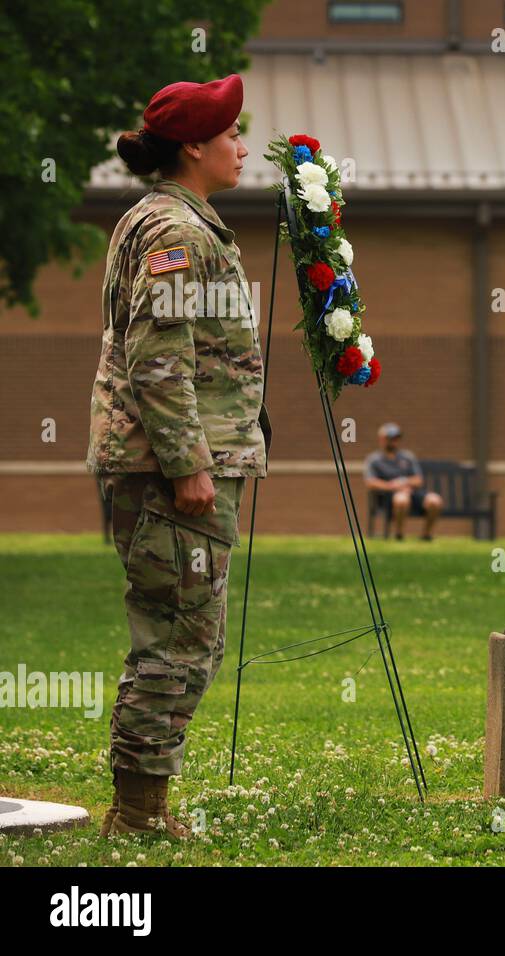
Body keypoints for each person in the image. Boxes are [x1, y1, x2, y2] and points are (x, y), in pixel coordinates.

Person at [87, 74, 268, 837]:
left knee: (184, 628)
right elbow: (156, 356)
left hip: (166, 461)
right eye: (230, 133)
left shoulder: (163, 219)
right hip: (169, 471)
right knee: (180, 633)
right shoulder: (177, 233)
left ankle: (142, 804)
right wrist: (190, 460)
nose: (242, 145)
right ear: (193, 146)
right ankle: (137, 813)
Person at [364, 423, 443, 540]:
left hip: (413, 493)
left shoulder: (407, 457)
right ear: (381, 439)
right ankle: (399, 534)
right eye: (391, 438)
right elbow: (370, 482)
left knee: (435, 500)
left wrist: (404, 482)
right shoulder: (374, 460)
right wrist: (392, 486)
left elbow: (418, 480)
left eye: (396, 438)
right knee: (402, 499)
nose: (394, 441)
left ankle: (426, 535)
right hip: (387, 497)